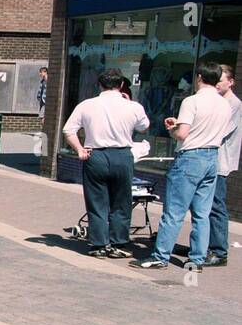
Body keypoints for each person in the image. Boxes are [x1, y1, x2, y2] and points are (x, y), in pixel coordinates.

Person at [133, 62, 236, 270]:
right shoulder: (225, 104)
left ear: (199, 77)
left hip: (191, 156)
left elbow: (182, 134)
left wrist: (173, 129)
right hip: (211, 156)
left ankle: (160, 257)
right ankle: (197, 259)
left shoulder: (192, 101)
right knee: (202, 213)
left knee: (174, 212)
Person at [62, 68, 150, 258]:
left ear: (100, 85)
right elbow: (144, 127)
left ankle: (99, 244)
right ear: (121, 85)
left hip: (96, 155)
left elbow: (68, 130)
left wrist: (80, 149)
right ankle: (118, 243)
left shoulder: (87, 105)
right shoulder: (133, 107)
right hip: (122, 155)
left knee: (97, 201)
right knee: (121, 202)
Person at [206, 65, 242, 267]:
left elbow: (220, 131)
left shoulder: (233, 104)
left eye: (221, 80)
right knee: (206, 206)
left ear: (231, 82)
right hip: (210, 160)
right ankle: (206, 245)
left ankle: (219, 251)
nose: (217, 84)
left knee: (216, 206)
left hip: (220, 162)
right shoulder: (217, 102)